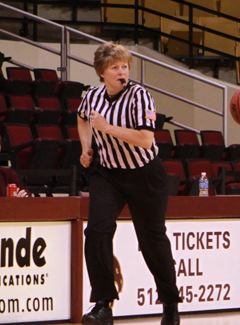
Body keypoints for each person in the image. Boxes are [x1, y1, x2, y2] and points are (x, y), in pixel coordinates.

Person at [78, 42, 180, 325]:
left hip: (144, 173)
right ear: (102, 73)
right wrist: (86, 147)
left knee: (152, 240)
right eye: (115, 67)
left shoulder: (140, 96)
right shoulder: (92, 96)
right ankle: (103, 304)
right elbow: (82, 119)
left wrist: (107, 128)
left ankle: (170, 304)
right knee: (96, 232)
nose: (122, 72)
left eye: (124, 66)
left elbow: (146, 139)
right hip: (108, 174)